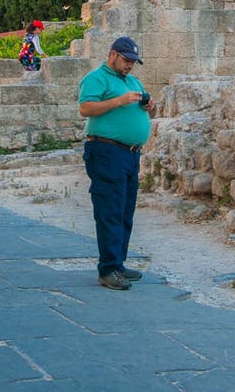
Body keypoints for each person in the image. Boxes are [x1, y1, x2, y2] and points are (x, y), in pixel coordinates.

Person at [79, 36, 156, 291]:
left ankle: (118, 263)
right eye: (126, 60)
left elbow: (148, 113)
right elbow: (86, 108)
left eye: (133, 62)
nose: (130, 66)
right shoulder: (97, 78)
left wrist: (150, 107)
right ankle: (108, 268)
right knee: (110, 209)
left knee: (125, 210)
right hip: (106, 150)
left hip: (130, 154)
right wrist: (119, 101)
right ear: (113, 54)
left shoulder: (132, 81)